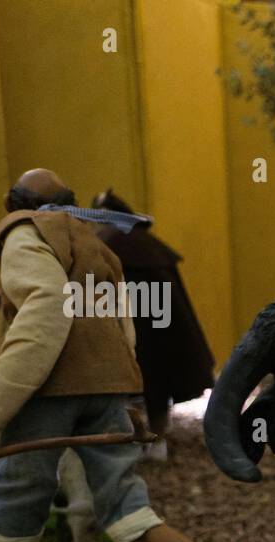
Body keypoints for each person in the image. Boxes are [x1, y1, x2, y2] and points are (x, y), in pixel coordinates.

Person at [0, 169, 260, 542]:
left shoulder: (23, 233)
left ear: (13, 204)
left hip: (46, 393)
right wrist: (125, 389)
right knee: (127, 504)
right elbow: (122, 325)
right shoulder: (94, 240)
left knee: (15, 507)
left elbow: (44, 318)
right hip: (105, 389)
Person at [91, 188, 216, 462]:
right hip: (157, 332)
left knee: (147, 384)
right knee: (156, 382)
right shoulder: (147, 246)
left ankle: (148, 441)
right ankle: (152, 439)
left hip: (141, 333)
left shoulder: (110, 246)